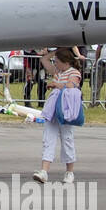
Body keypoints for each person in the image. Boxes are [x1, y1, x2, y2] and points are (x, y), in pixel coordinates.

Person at [34, 47, 82, 184]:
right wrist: (58, 50)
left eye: (57, 61)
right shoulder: (58, 71)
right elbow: (44, 59)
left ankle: (69, 172)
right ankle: (44, 171)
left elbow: (71, 86)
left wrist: (57, 84)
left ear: (65, 61)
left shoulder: (74, 72)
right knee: (48, 139)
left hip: (66, 109)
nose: (55, 63)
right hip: (53, 109)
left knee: (67, 139)